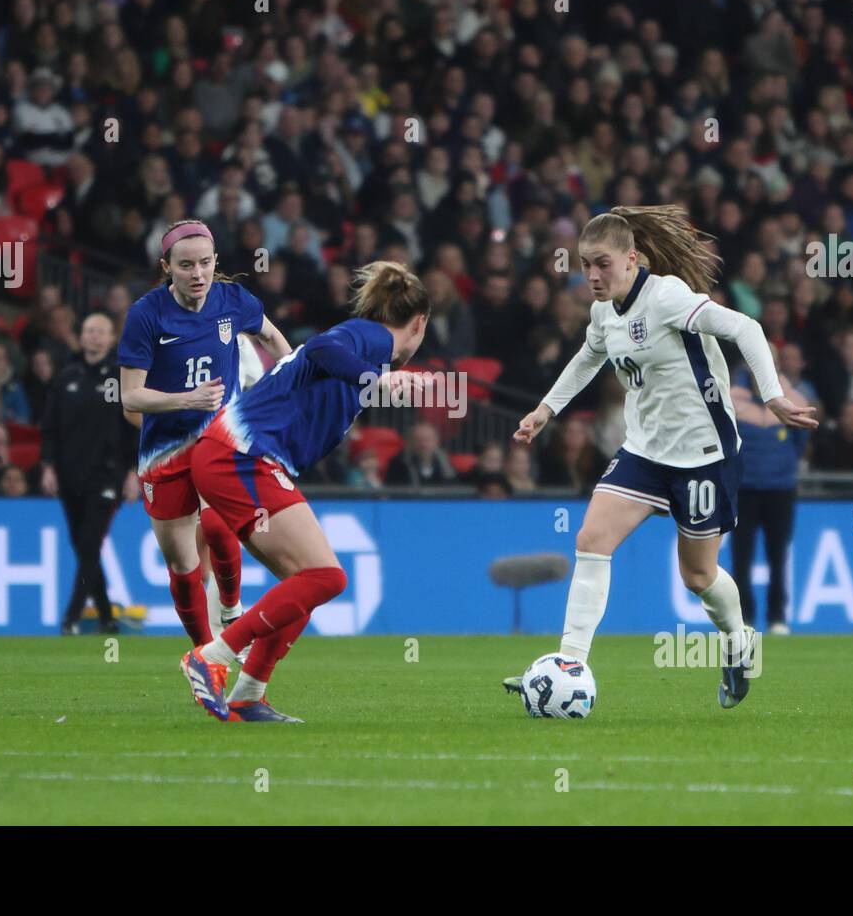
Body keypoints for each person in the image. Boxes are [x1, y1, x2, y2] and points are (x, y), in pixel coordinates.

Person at [504, 206, 817, 709]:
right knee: (591, 539)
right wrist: (545, 410)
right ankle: (569, 664)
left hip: (702, 455)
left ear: (631, 259)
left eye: (602, 264)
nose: (592, 275)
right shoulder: (604, 312)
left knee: (697, 577)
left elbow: (746, 327)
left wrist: (772, 395)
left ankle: (738, 642)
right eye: (585, 265)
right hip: (644, 451)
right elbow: (589, 356)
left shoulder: (668, 297)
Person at [180, 261, 429, 723]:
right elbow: (320, 349)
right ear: (419, 323)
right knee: (327, 578)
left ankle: (248, 695)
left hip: (232, 454)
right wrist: (380, 379)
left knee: (308, 582)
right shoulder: (373, 340)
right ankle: (212, 655)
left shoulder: (365, 348)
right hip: (242, 454)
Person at [119, 219, 291, 652]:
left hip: (220, 440)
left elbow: (270, 334)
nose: (197, 274)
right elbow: (130, 398)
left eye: (205, 264)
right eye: (186, 265)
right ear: (167, 267)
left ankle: (231, 607)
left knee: (218, 523)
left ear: (216, 262)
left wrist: (292, 376)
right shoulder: (146, 315)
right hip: (164, 450)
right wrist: (187, 400)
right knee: (182, 563)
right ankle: (203, 656)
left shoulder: (234, 299)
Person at [40, 312, 139, 634]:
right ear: (81, 337)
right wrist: (48, 466)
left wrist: (133, 472)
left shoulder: (120, 378)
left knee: (89, 543)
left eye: (101, 331)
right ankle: (107, 617)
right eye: (89, 330)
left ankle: (70, 618)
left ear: (112, 338)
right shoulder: (66, 376)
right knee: (84, 546)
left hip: (106, 476)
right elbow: (50, 428)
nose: (95, 336)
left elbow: (133, 428)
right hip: (70, 474)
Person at [730, 349, 812, 635]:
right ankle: (745, 619)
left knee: (778, 556)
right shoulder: (733, 399)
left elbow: (801, 437)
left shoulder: (792, 400)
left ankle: (777, 617)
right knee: (742, 557)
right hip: (744, 490)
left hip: (780, 490)